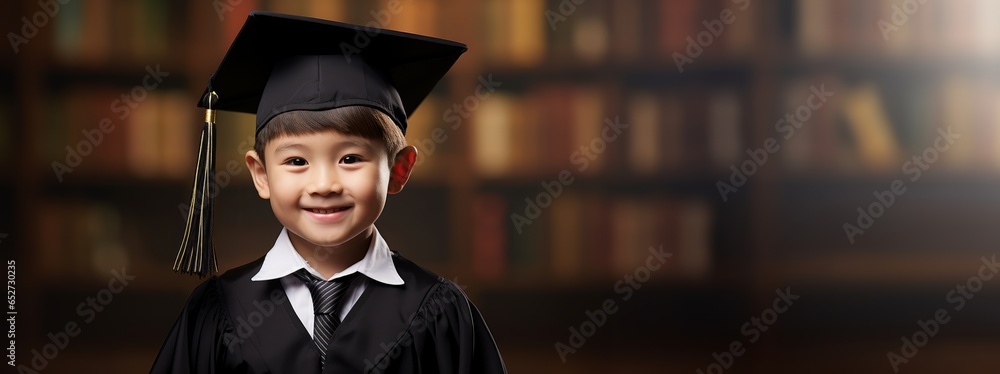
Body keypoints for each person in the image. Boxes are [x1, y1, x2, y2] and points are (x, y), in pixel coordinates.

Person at [151, 11, 506, 374]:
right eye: (296, 161)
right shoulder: (217, 309)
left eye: (350, 158)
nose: (323, 185)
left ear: (399, 170)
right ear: (261, 175)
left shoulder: (440, 310)